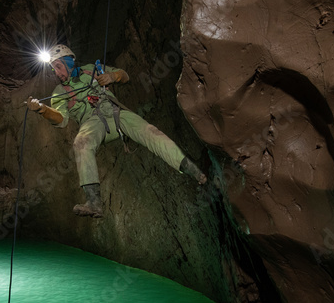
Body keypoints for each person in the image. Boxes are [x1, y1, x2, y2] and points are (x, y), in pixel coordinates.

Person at [27, 44, 206, 218]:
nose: (56, 73)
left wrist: (112, 77)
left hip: (115, 112)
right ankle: (94, 202)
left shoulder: (91, 69)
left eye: (58, 67)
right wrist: (43, 109)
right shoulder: (59, 92)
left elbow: (124, 76)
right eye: (53, 69)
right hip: (92, 122)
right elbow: (61, 120)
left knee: (150, 131)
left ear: (68, 62)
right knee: (81, 143)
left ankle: (192, 170)